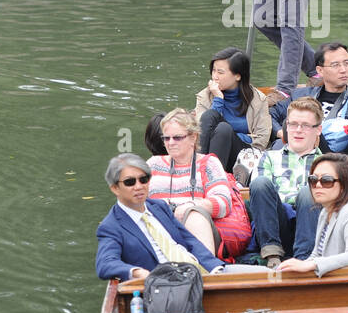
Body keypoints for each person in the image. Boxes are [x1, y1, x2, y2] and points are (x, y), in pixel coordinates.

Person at [95, 153, 225, 280]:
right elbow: (105, 264)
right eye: (130, 182)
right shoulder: (111, 226)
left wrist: (214, 268)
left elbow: (190, 241)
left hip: (199, 273)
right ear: (115, 188)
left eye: (143, 179)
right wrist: (137, 272)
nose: (139, 186)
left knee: (244, 277)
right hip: (168, 286)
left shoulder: (159, 207)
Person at [147, 108, 251, 260]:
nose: (170, 143)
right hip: (162, 229)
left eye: (177, 138)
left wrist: (189, 207)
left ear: (193, 137)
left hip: (200, 231)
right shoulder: (153, 164)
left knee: (194, 215)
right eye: (166, 138)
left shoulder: (209, 163)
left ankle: (203, 268)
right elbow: (137, 201)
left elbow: (223, 203)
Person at [269, 42, 348, 172]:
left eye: (346, 63)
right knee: (296, 122)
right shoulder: (301, 96)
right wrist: (282, 132)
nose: (343, 69)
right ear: (320, 70)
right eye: (336, 65)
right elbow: (270, 114)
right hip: (315, 153)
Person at [278, 153, 348, 276]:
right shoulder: (325, 211)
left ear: (344, 185)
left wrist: (312, 264)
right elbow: (317, 254)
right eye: (313, 179)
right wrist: (295, 266)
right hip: (338, 282)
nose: (317, 185)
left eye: (326, 181)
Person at [247, 97, 324, 268]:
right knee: (260, 183)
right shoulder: (269, 157)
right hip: (277, 224)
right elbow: (260, 198)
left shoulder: (328, 163)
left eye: (305, 125)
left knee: (308, 192)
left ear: (318, 129)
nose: (297, 130)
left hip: (313, 224)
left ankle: (305, 258)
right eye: (293, 124)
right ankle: (271, 253)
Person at [194, 46, 271, 172]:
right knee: (212, 121)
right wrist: (218, 99)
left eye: (220, 72)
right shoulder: (205, 96)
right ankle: (204, 174)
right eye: (213, 71)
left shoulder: (258, 99)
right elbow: (200, 133)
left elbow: (261, 140)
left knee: (224, 130)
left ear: (238, 76)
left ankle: (208, 177)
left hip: (244, 157)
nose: (215, 76)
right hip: (208, 153)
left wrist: (231, 137)